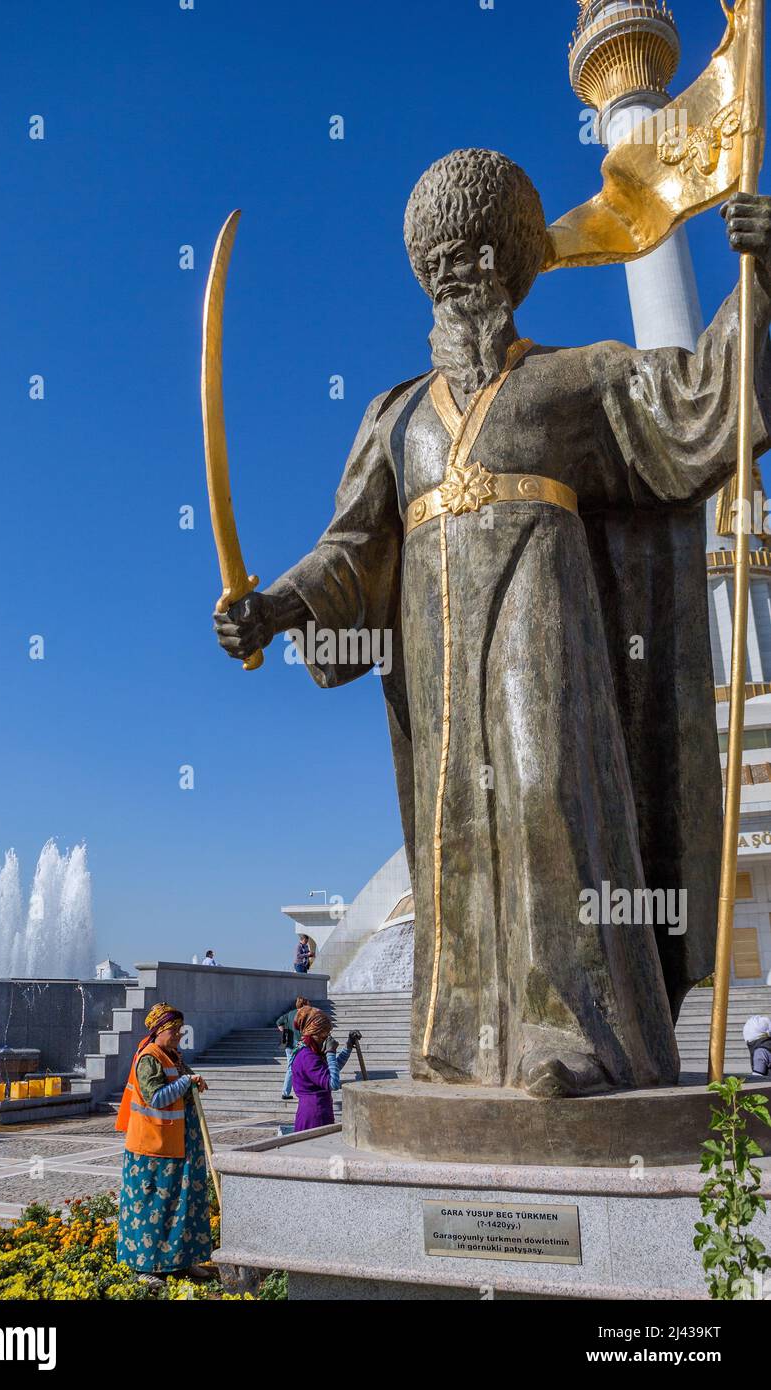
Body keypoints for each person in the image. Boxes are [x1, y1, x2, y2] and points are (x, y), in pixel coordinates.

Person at [214, 150, 771, 1099]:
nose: (454, 280)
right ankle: (463, 1043)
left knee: (545, 790)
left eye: (471, 258)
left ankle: (574, 1035)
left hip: (542, 612)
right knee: (456, 829)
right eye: (437, 265)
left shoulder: (579, 378)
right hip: (431, 643)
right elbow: (351, 547)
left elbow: (696, 410)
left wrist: (760, 282)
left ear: (504, 268)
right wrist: (276, 606)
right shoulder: (396, 419)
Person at [115, 1002, 211, 1277]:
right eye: (176, 1030)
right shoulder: (149, 1058)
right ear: (160, 1030)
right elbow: (155, 1098)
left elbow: (184, 1082)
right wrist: (186, 1083)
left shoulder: (173, 1055)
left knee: (182, 1206)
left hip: (180, 1147)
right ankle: (146, 1267)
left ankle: (182, 1260)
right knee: (153, 1209)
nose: (180, 1035)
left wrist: (194, 1082)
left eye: (180, 1030)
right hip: (153, 1150)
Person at [288, 1006, 341, 1132]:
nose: (326, 1039)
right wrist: (330, 1052)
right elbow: (333, 1083)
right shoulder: (308, 1056)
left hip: (316, 1109)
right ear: (313, 1032)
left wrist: (348, 1048)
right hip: (315, 1114)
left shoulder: (305, 1051)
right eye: (323, 1036)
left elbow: (328, 1071)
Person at [276, 996, 309, 1100]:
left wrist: (284, 1031)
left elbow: (278, 1022)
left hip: (289, 1045)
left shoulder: (290, 1014)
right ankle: (290, 1092)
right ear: (304, 1004)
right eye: (308, 1004)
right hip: (300, 1044)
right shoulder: (305, 1014)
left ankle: (287, 1092)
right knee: (303, 1067)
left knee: (291, 1068)